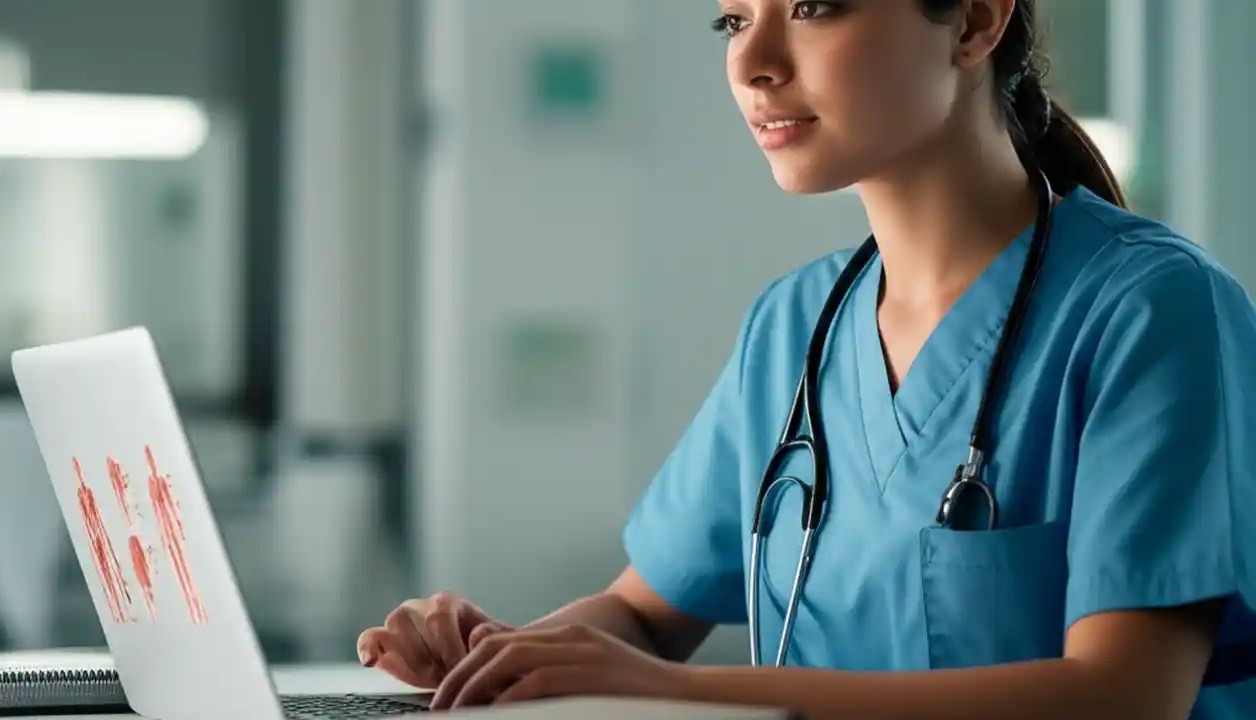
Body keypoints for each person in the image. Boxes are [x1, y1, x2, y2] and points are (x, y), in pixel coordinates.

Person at [358, 0, 1256, 716]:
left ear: (976, 22)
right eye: (733, 19)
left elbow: (1123, 698)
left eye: (816, 8)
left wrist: (678, 693)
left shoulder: (1151, 311)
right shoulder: (794, 326)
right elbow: (641, 613)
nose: (753, 63)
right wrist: (504, 658)